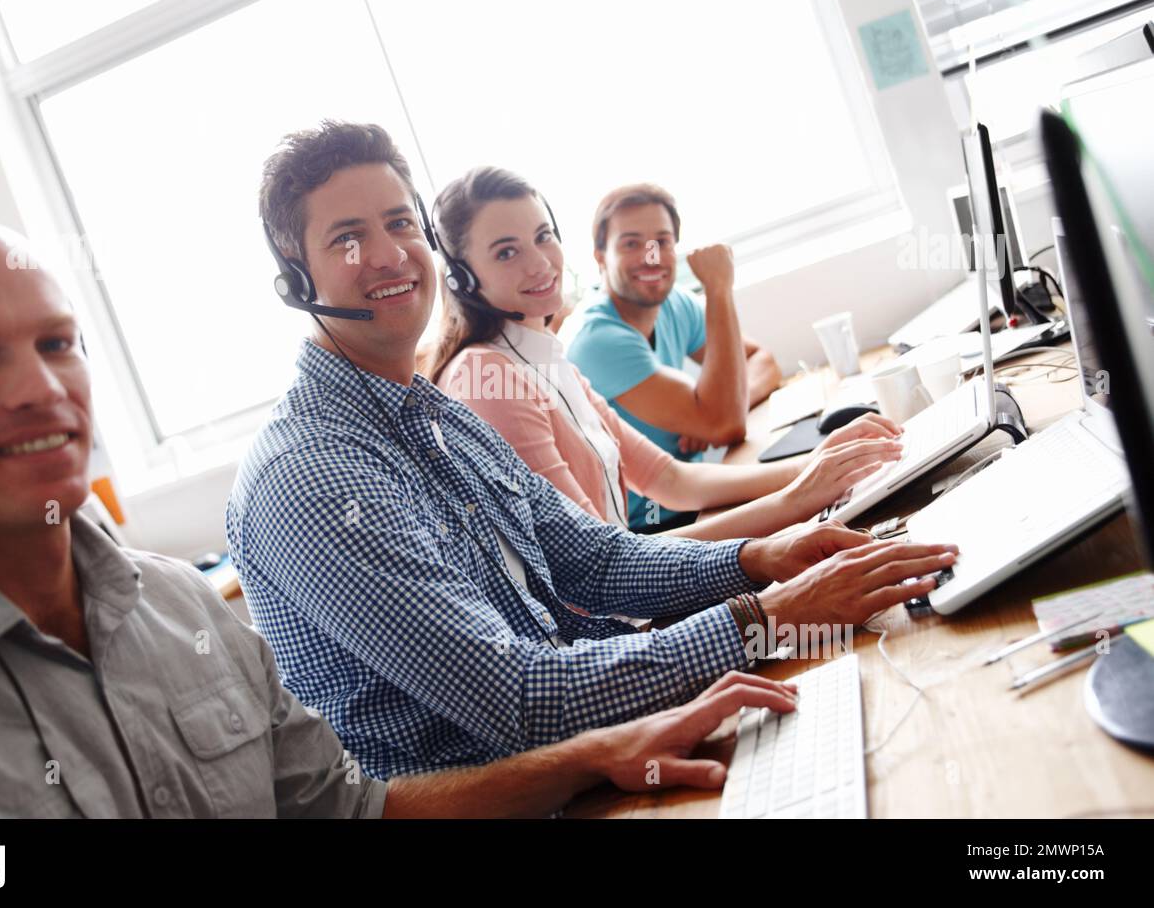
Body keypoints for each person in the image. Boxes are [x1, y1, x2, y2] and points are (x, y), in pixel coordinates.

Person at [0, 219, 803, 818]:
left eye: (57, 343)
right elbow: (515, 695)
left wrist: (596, 757)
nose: (40, 389)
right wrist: (764, 605)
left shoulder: (183, 613)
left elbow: (346, 811)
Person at [226, 120, 958, 781]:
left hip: (597, 741)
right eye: (348, 238)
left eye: (398, 224)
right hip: (538, 783)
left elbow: (598, 558)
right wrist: (767, 615)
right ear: (296, 277)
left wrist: (760, 560)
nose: (388, 255)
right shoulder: (312, 476)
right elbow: (516, 695)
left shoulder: (433, 412)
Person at [423, 166, 901, 540]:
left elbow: (668, 478)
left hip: (638, 589)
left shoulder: (543, 355)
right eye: (506, 252)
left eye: (543, 236)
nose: (540, 262)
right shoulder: (486, 377)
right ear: (462, 276)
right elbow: (603, 561)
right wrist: (794, 501)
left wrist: (818, 462)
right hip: (614, 631)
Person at [564, 183, 781, 532]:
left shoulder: (673, 303)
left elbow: (762, 361)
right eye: (631, 243)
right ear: (600, 256)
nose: (651, 256)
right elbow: (726, 424)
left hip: (699, 492)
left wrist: (709, 414)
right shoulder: (596, 339)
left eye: (661, 242)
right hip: (650, 528)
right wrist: (718, 288)